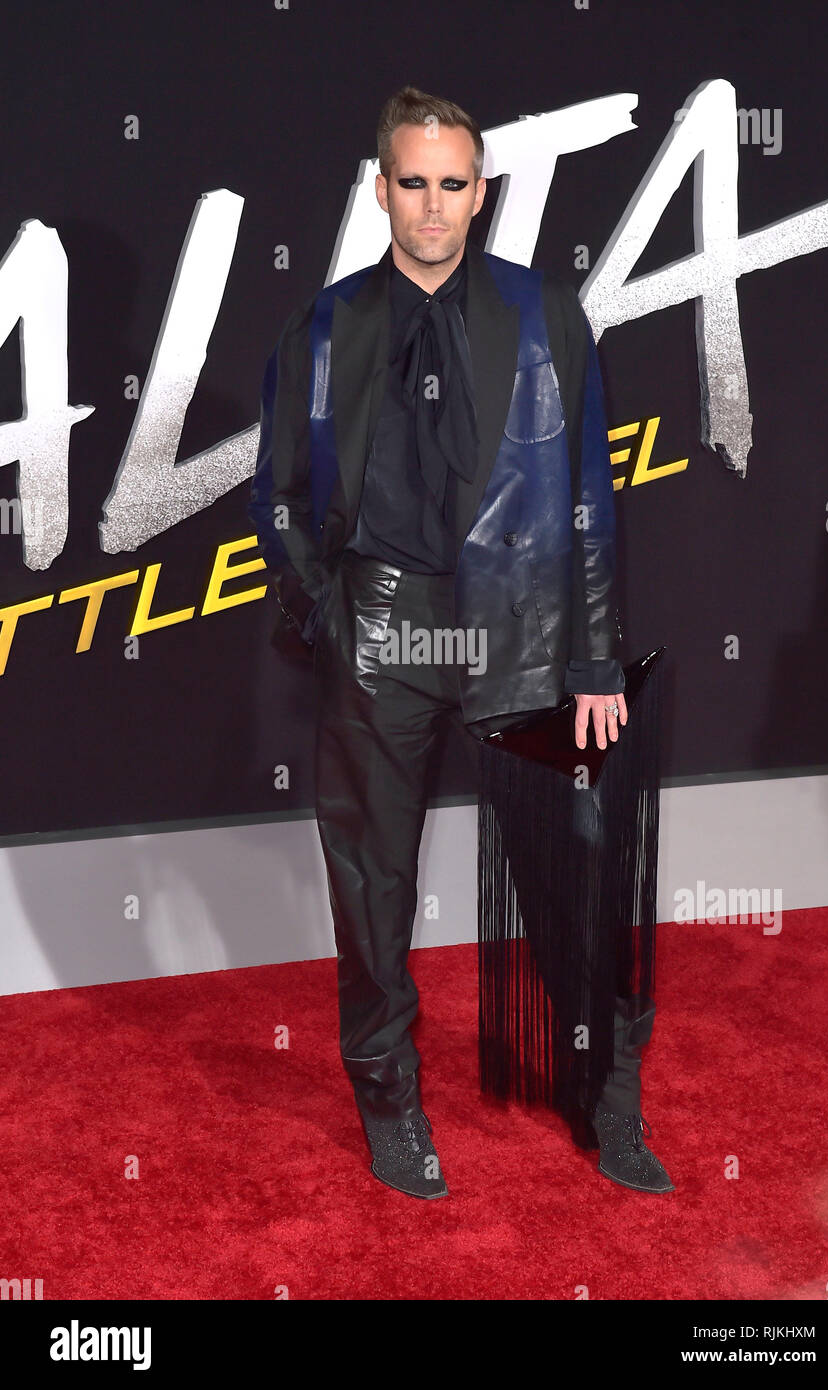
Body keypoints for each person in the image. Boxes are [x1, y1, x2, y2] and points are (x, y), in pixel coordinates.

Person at [249, 85, 673, 1199]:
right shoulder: (325, 326)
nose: (432, 208)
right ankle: (389, 1099)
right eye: (411, 184)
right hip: (382, 635)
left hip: (521, 633)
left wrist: (591, 659)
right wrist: (327, 621)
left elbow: (590, 494)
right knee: (371, 882)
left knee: (571, 879)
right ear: (379, 187)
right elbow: (281, 496)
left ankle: (603, 1097)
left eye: (452, 185)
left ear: (479, 192)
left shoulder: (548, 316)